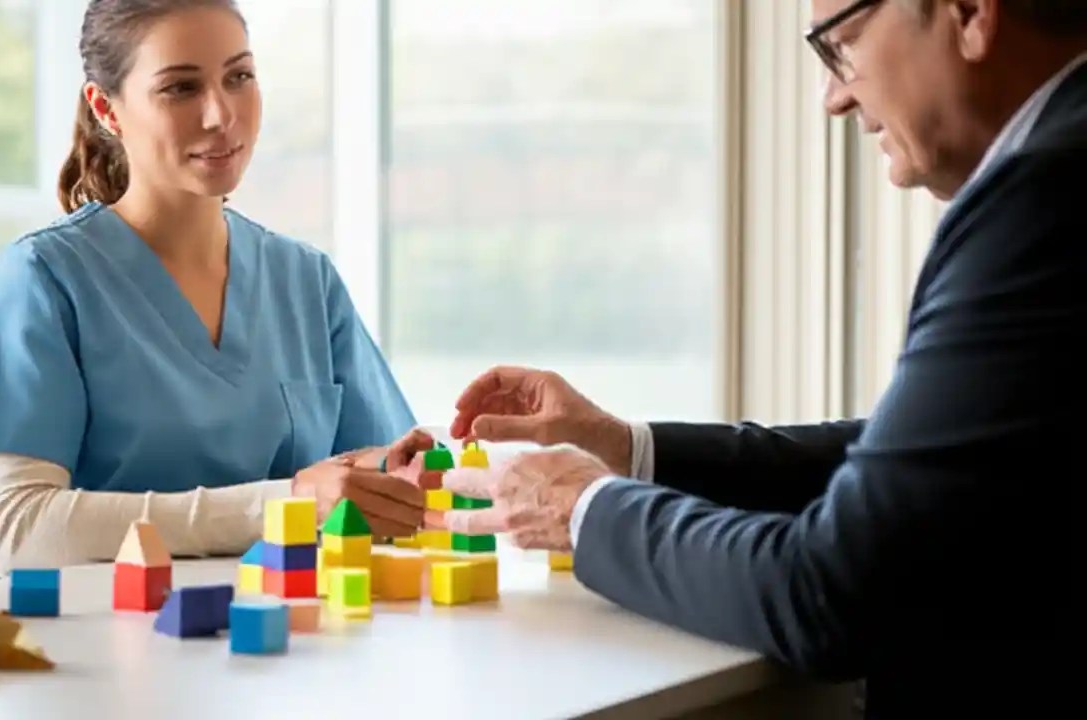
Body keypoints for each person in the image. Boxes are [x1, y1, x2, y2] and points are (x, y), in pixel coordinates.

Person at [391, 0, 1084, 717]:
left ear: (969, 12)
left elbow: (834, 592)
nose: (835, 96)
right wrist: (628, 449)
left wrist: (584, 508)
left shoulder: (1043, 198)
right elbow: (916, 468)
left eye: (842, 42)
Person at [0, 0, 425, 575]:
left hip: (299, 645)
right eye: (180, 89)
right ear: (107, 109)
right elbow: (19, 530)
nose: (221, 115)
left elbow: (391, 491)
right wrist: (283, 504)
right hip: (117, 652)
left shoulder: (306, 281)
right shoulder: (40, 280)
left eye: (239, 77)